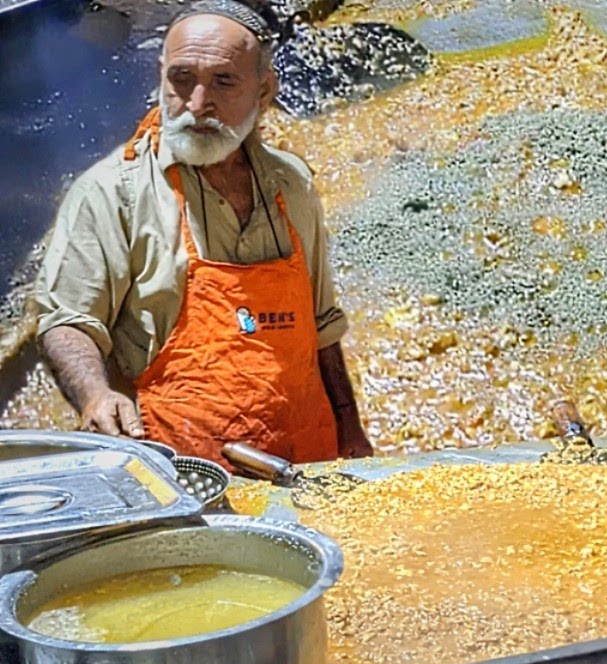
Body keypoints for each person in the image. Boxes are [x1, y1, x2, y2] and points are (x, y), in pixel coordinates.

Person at [34, 0, 373, 467]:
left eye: (224, 82)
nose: (197, 104)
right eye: (180, 79)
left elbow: (321, 326)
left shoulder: (290, 183)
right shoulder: (113, 193)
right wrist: (95, 396)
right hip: (182, 483)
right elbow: (67, 321)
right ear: (160, 77)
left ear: (265, 90)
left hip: (305, 467)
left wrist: (349, 426)